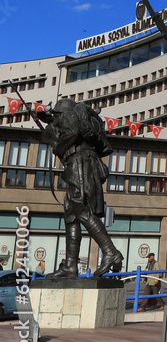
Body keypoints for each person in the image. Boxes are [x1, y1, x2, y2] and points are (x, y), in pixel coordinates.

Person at [42, 98, 123, 279]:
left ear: (61, 113)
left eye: (56, 116)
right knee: (71, 215)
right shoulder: (79, 117)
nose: (55, 119)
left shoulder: (69, 116)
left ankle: (110, 251)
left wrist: (58, 148)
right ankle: (70, 265)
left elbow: (71, 132)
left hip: (80, 163)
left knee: (82, 210)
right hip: (78, 163)